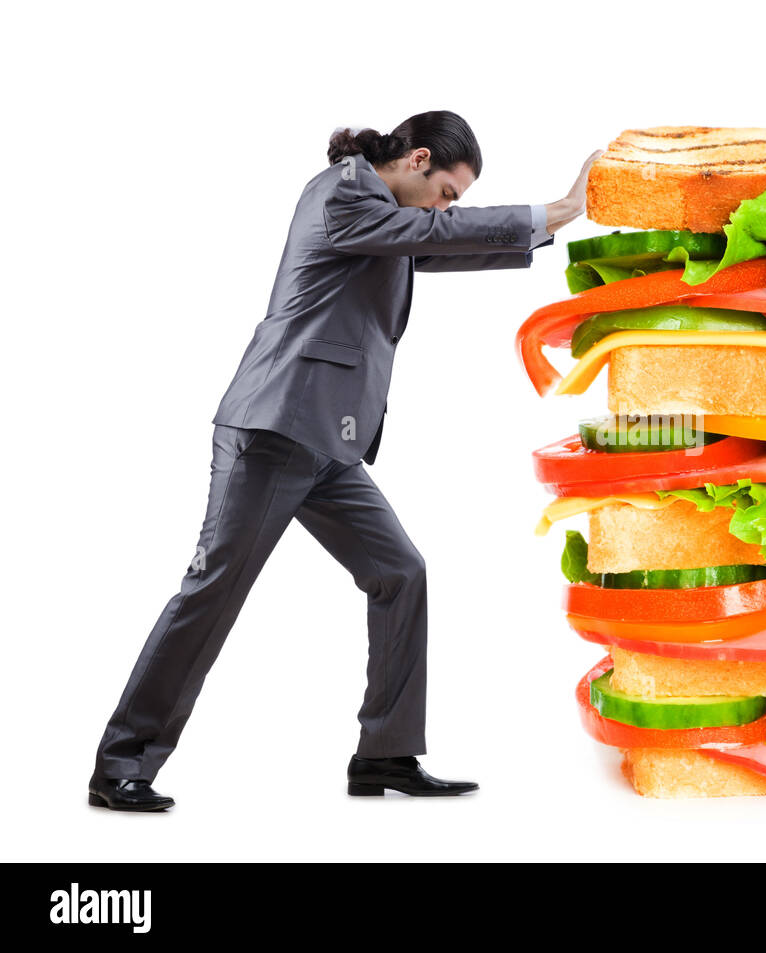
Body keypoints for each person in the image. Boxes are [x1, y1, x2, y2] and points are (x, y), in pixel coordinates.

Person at [89, 110, 600, 811]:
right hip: (273, 431)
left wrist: (554, 226)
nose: (447, 207)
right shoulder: (343, 194)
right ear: (417, 159)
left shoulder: (385, 214)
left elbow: (438, 244)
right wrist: (557, 206)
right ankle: (121, 764)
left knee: (400, 571)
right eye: (447, 191)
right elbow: (430, 233)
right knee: (212, 591)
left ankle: (385, 752)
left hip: (328, 440)